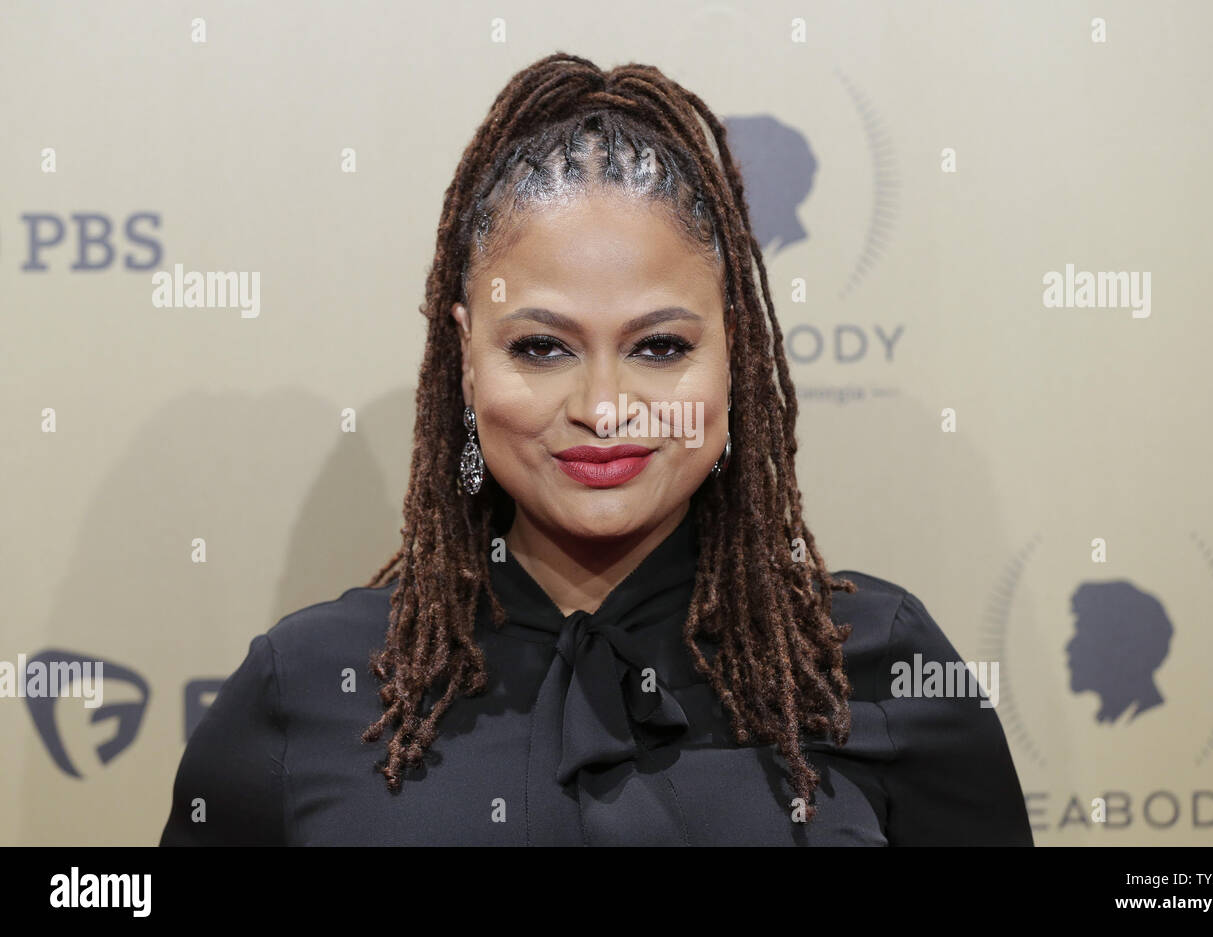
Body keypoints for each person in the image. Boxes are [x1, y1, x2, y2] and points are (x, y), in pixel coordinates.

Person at [160, 52, 1033, 846]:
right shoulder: (304, 688)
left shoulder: (876, 668)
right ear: (465, 356)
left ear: (735, 349)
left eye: (661, 347)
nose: (605, 409)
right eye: (542, 347)